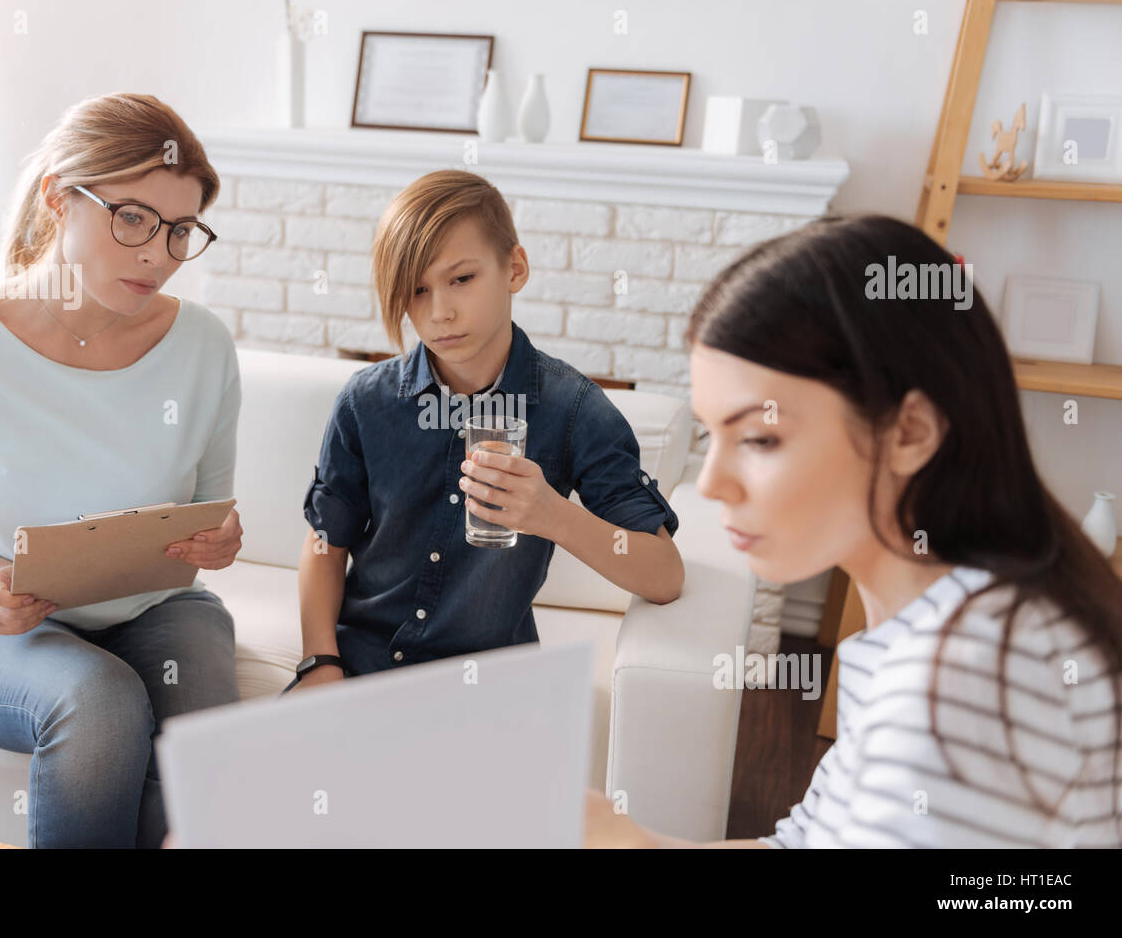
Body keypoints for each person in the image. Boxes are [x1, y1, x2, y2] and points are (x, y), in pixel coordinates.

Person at [585, 213, 1122, 848]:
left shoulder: (967, 683)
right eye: (712, 434)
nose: (712, 482)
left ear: (909, 432)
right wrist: (627, 839)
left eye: (759, 438)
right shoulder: (930, 633)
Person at [0, 93, 243, 848]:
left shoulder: (203, 346)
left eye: (180, 230)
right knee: (100, 700)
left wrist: (221, 539)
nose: (158, 255)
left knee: (205, 724)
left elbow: (210, 504)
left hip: (157, 609)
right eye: (132, 218)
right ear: (58, 198)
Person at [290, 169, 683, 691]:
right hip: (361, 668)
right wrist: (320, 662)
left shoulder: (573, 409)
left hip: (488, 688)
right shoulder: (365, 403)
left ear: (514, 269)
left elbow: (664, 576)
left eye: (462, 279)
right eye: (417, 290)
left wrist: (553, 516)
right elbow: (325, 543)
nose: (440, 313)